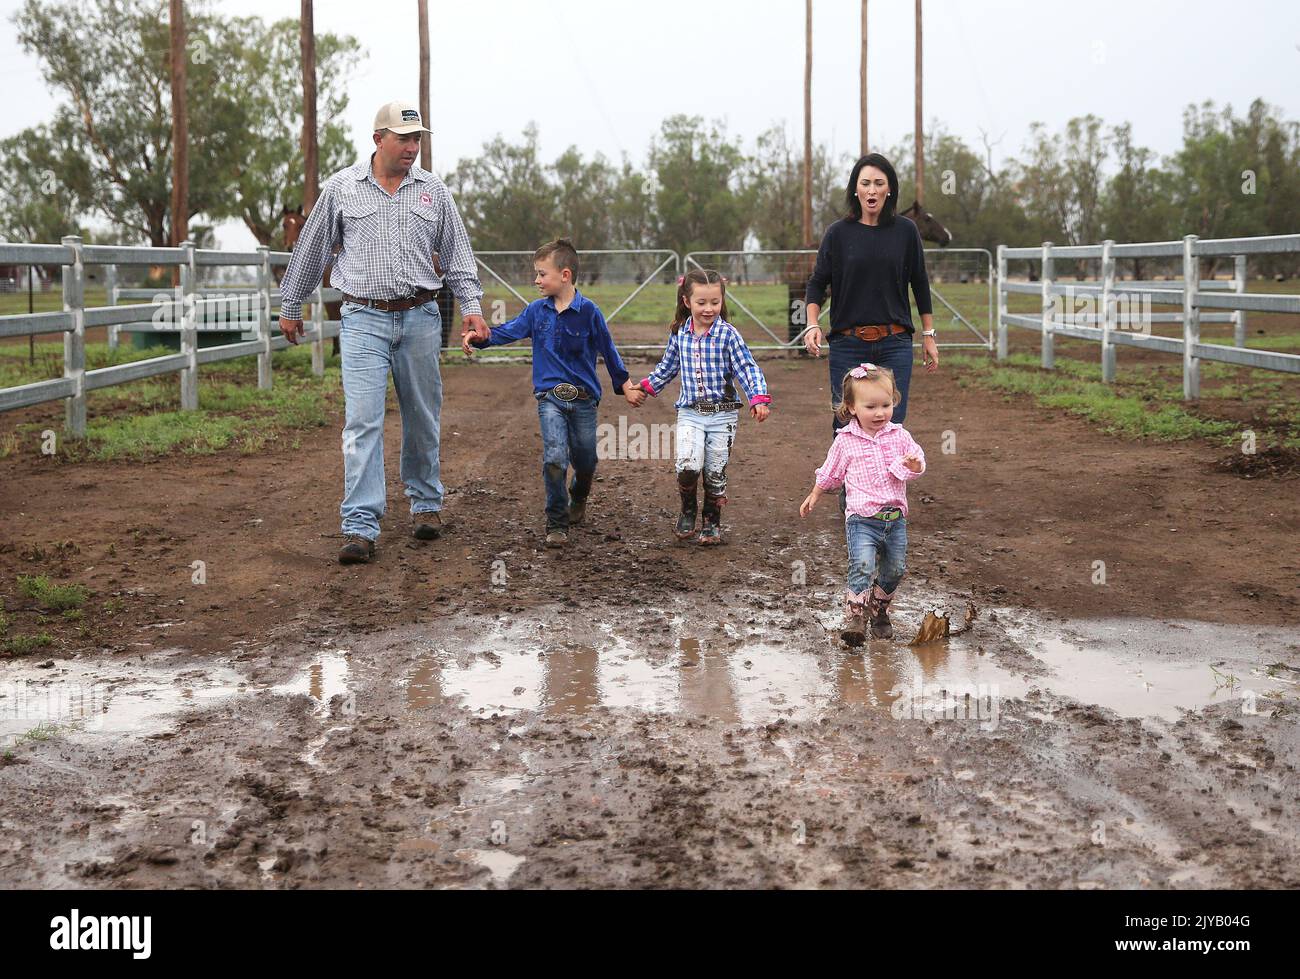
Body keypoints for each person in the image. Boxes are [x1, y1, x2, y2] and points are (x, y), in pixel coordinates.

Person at [278, 100, 489, 565]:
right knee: (363, 422)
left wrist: (472, 307)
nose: (413, 147)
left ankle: (426, 503)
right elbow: (312, 250)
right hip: (363, 319)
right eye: (403, 138)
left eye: (417, 139)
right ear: (378, 139)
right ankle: (360, 524)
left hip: (420, 317)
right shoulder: (342, 190)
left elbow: (456, 257)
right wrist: (291, 303)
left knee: (421, 415)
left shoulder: (434, 192)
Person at [464, 239, 636, 548]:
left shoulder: (589, 312)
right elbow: (508, 331)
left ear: (565, 275)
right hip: (549, 398)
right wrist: (480, 339)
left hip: (584, 399)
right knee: (555, 457)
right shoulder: (535, 311)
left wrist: (623, 384)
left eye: (542, 274)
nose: (536, 280)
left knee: (586, 460)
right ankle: (557, 521)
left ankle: (579, 492)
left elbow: (608, 350)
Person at [802, 153, 940, 432]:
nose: (872, 189)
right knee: (846, 422)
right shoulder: (837, 233)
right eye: (866, 183)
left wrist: (928, 334)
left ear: (890, 189)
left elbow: (920, 282)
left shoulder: (906, 231)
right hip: (847, 344)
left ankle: (890, 477)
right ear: (856, 188)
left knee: (892, 422)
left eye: (879, 183)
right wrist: (812, 324)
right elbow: (817, 283)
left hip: (895, 343)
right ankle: (847, 477)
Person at [632, 269, 771, 545]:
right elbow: (668, 366)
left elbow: (746, 367)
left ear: (722, 301)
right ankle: (688, 508)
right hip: (691, 413)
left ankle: (711, 520)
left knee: (715, 472)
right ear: (687, 302)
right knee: (687, 465)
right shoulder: (679, 333)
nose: (709, 309)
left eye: (715, 302)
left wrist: (758, 397)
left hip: (723, 415)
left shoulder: (728, 335)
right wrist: (648, 386)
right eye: (702, 303)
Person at [800, 364, 926, 646]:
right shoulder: (845, 441)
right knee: (863, 565)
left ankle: (879, 609)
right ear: (851, 407)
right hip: (861, 520)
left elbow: (917, 460)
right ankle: (856, 617)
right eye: (871, 406)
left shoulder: (900, 436)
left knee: (895, 569)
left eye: (886, 404)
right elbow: (831, 471)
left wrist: (915, 465)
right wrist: (815, 493)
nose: (880, 413)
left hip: (895, 519)